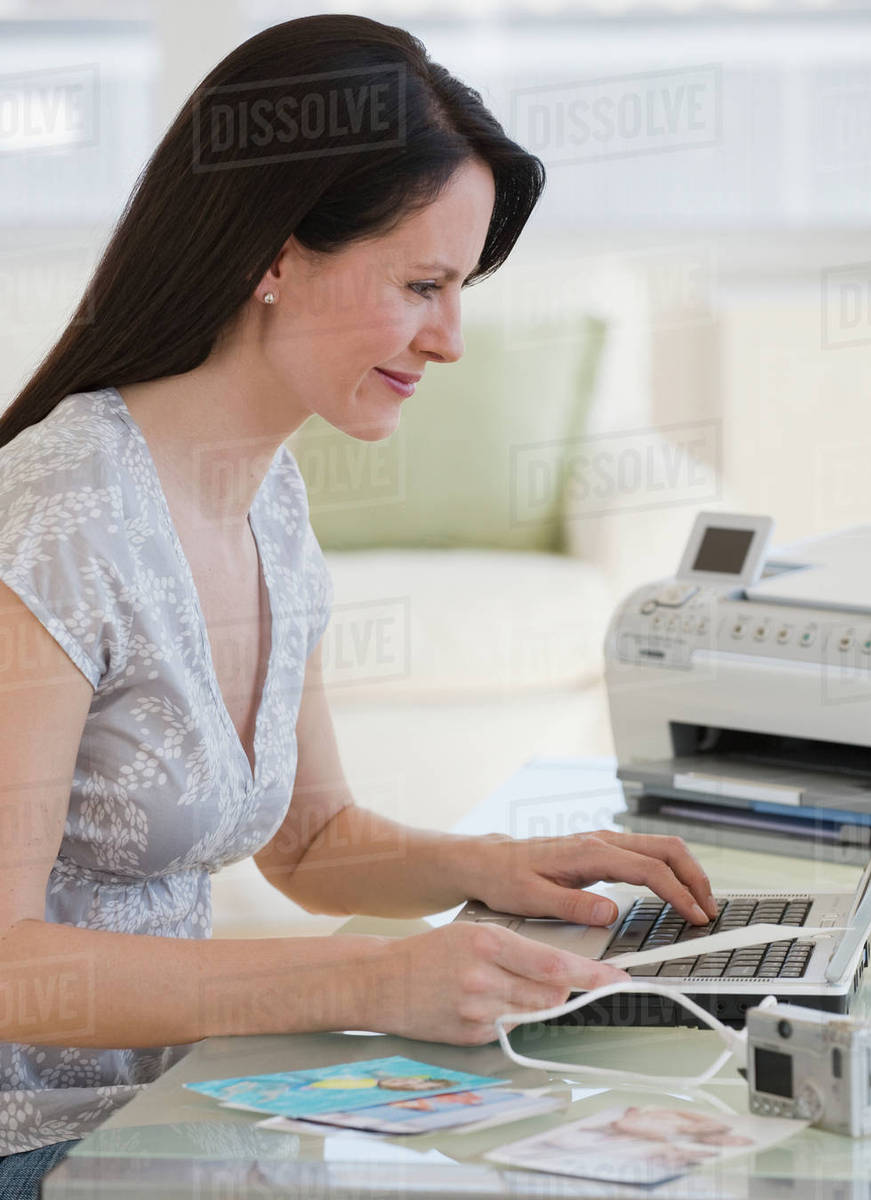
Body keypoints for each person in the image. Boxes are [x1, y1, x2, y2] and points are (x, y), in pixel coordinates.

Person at [0, 12, 718, 1193]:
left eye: (462, 289)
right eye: (422, 285)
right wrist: (364, 980)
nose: (451, 341)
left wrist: (502, 865)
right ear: (273, 258)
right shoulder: (58, 513)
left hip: (179, 1113)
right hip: (42, 1147)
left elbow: (313, 843)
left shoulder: (267, 495)